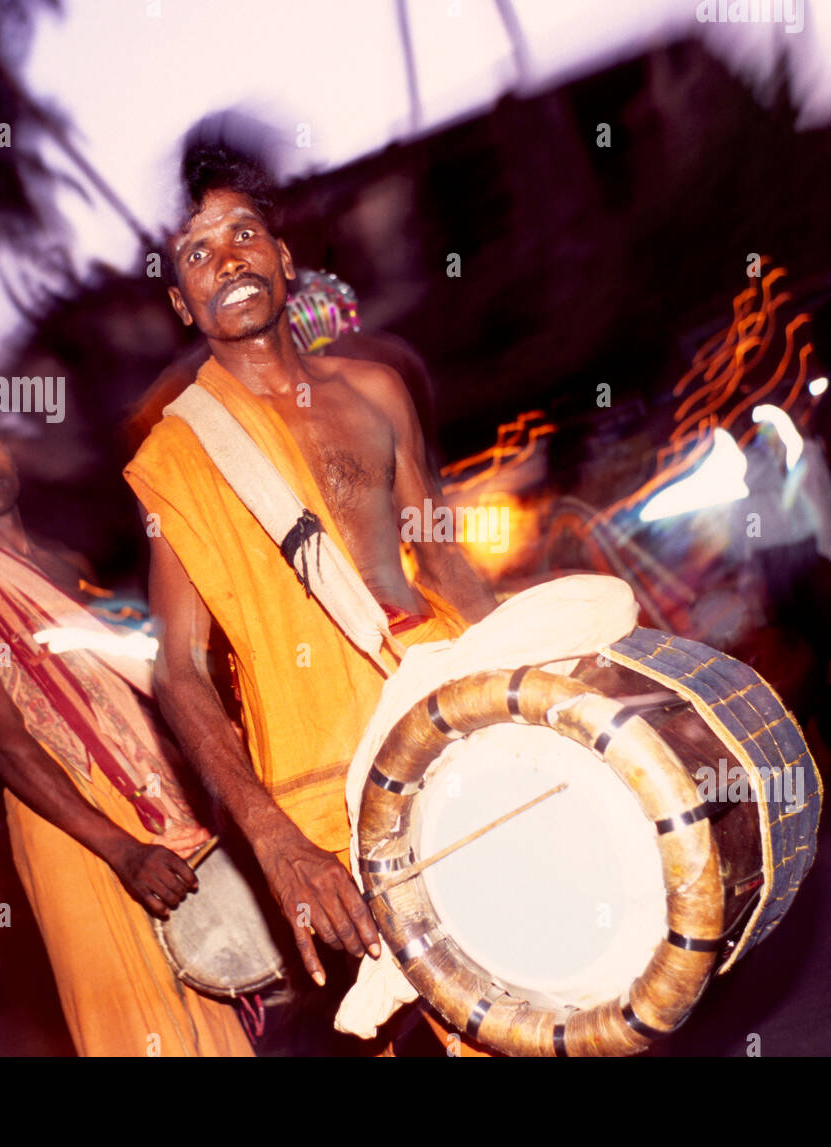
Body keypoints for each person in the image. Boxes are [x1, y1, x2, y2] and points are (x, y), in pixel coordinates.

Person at [123, 145, 498, 1051]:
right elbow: (176, 669)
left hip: (456, 719)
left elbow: (443, 559)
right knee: (427, 1019)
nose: (229, 260)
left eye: (244, 233)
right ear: (182, 303)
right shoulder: (175, 457)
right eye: (199, 253)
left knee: (527, 976)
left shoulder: (377, 389)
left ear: (285, 258)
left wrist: (541, 679)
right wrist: (275, 838)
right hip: (331, 786)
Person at [0, 397, 253, 1057]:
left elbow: (146, 689)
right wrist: (119, 848)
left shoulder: (69, 567)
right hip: (73, 822)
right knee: (135, 1023)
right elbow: (5, 739)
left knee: (214, 1012)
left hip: (161, 807)